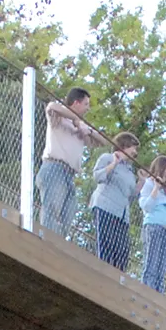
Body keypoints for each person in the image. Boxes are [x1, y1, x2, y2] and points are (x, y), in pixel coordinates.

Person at [37, 88, 108, 237]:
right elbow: (51, 106)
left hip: (70, 175)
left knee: (68, 214)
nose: (88, 108)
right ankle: (47, 242)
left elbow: (103, 142)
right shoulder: (58, 117)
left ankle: (59, 245)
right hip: (54, 167)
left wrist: (87, 130)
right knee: (52, 209)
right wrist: (76, 120)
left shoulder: (81, 126)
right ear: (76, 102)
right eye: (86, 104)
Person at [90, 132, 141, 270]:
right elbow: (98, 176)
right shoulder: (107, 157)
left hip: (122, 215)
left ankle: (118, 279)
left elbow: (130, 195)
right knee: (106, 246)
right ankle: (103, 274)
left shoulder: (130, 171)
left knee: (122, 251)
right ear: (125, 145)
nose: (135, 152)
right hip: (106, 207)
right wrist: (114, 164)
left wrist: (141, 182)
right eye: (133, 148)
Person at [137, 156, 166, 292]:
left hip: (165, 229)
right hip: (153, 226)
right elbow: (146, 206)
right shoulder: (149, 184)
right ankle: (147, 290)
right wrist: (156, 188)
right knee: (152, 262)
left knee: (161, 266)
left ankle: (158, 292)